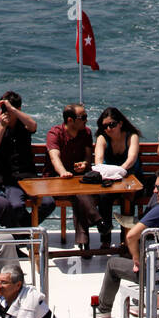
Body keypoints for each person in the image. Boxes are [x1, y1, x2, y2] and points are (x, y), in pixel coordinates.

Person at [96, 167, 159, 318]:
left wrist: (136, 259)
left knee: (113, 264)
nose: (154, 191)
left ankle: (103, 310)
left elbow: (131, 236)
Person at [0, 91, 52, 228]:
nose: (7, 112)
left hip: (30, 178)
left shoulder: (24, 126)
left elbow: (33, 126)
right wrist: (2, 126)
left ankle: (26, 228)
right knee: (16, 206)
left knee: (49, 203)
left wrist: (13, 110)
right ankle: (27, 230)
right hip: (9, 181)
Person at [45, 103, 100, 248]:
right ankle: (97, 221)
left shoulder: (86, 132)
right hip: (56, 180)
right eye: (83, 117)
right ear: (70, 120)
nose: (86, 120)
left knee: (79, 194)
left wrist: (85, 164)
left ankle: (83, 240)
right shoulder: (55, 133)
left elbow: (88, 156)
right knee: (80, 193)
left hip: (78, 180)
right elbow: (54, 157)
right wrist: (63, 172)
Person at [93, 107, 142, 249]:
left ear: (120, 123)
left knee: (128, 196)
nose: (108, 129)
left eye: (112, 125)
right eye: (105, 126)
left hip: (131, 178)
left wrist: (120, 170)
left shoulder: (131, 136)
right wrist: (112, 174)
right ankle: (105, 237)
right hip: (110, 180)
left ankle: (125, 238)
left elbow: (131, 158)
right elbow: (98, 161)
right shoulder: (102, 138)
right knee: (104, 197)